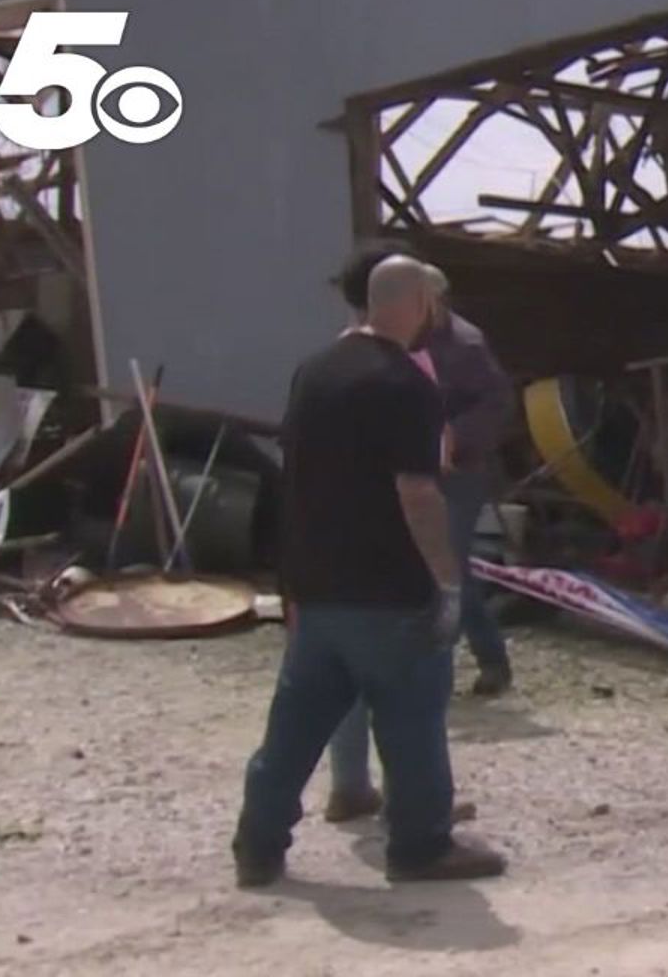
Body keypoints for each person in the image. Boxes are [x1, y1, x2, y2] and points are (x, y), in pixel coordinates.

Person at [233, 256, 505, 886]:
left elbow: (296, 477)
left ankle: (258, 846)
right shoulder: (405, 384)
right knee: (411, 725)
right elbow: (418, 493)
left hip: (319, 586)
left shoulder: (314, 371)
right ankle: (420, 846)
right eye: (432, 302)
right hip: (388, 590)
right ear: (415, 302)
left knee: (293, 732)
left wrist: (289, 576)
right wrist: (445, 583)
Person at [420, 264, 516, 695]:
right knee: (437, 565)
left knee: (448, 563)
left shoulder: (466, 344)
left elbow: (496, 402)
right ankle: (486, 659)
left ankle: (448, 665)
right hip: (415, 468)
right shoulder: (404, 340)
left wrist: (455, 436)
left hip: (461, 472)